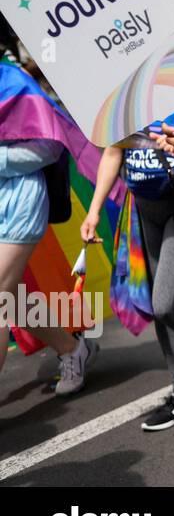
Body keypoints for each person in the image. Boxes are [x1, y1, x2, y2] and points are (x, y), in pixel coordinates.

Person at [82, 131, 174, 430]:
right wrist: (93, 211)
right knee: (160, 298)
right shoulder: (122, 102)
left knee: (165, 304)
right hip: (145, 208)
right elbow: (113, 152)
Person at [0, 61, 99, 393]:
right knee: (12, 300)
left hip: (19, 204)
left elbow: (50, 146)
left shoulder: (14, 82)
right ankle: (72, 348)